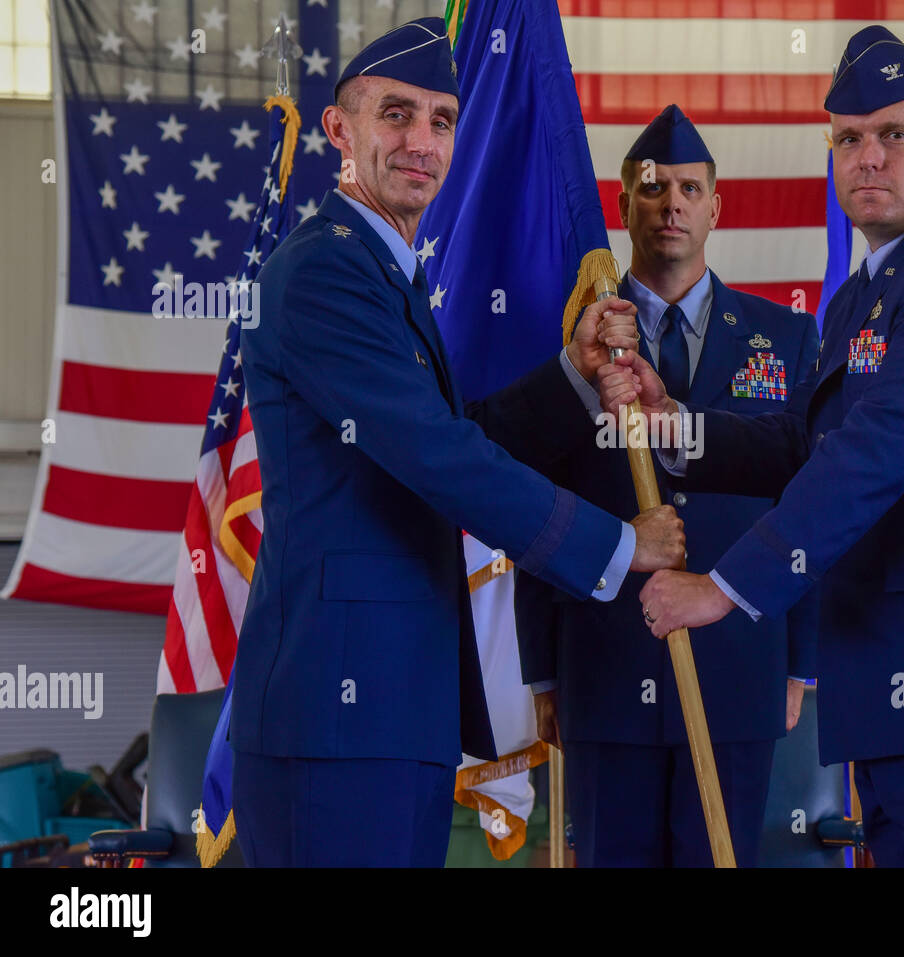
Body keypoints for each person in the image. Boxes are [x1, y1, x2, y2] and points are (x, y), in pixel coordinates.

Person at [599, 26, 904, 867]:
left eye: (894, 135)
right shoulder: (864, 295)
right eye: (848, 139)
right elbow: (808, 439)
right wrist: (673, 424)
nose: (867, 157)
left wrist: (721, 587)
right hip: (896, 692)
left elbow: (873, 451)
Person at [229, 18, 684, 867]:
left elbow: (445, 436)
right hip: (335, 719)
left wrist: (575, 373)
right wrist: (619, 546)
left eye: (441, 121)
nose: (422, 142)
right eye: (396, 114)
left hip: (395, 710)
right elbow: (441, 458)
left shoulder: (388, 270)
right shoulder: (324, 270)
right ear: (339, 129)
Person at [514, 105, 820, 867]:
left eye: (689, 188)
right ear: (623, 206)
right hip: (604, 661)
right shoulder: (573, 342)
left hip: (738, 658)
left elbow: (814, 500)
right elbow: (534, 501)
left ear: (717, 206)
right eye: (652, 189)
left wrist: (800, 659)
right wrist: (541, 669)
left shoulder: (786, 337)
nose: (671, 204)